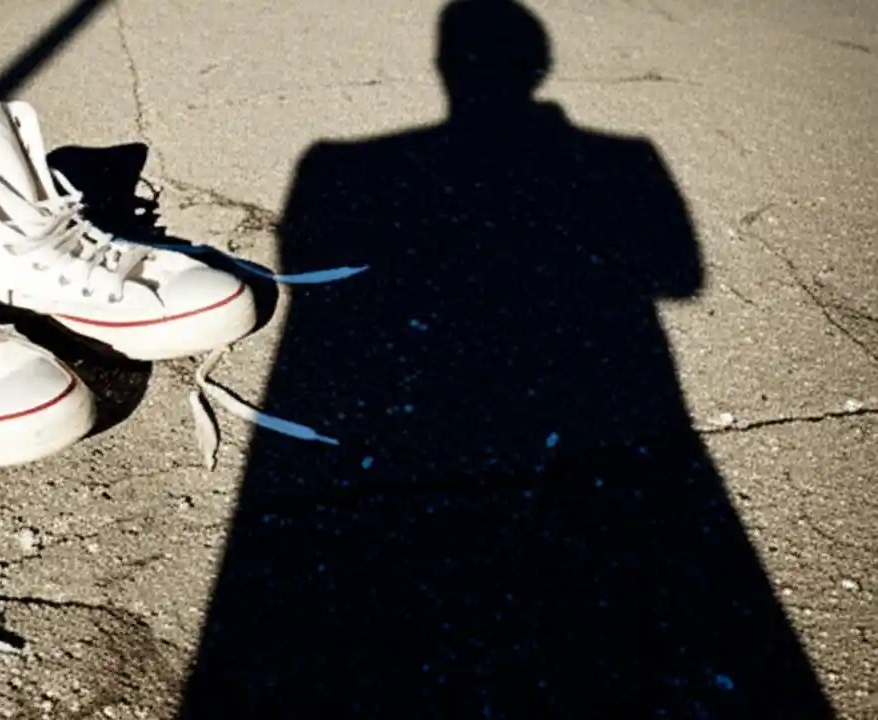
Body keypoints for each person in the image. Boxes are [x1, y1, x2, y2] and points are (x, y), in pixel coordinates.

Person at [181, 0, 832, 716]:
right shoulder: (623, 159)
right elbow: (681, 279)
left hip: (402, 437)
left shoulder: (339, 164)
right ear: (539, 67)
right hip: (593, 417)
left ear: (445, 66)